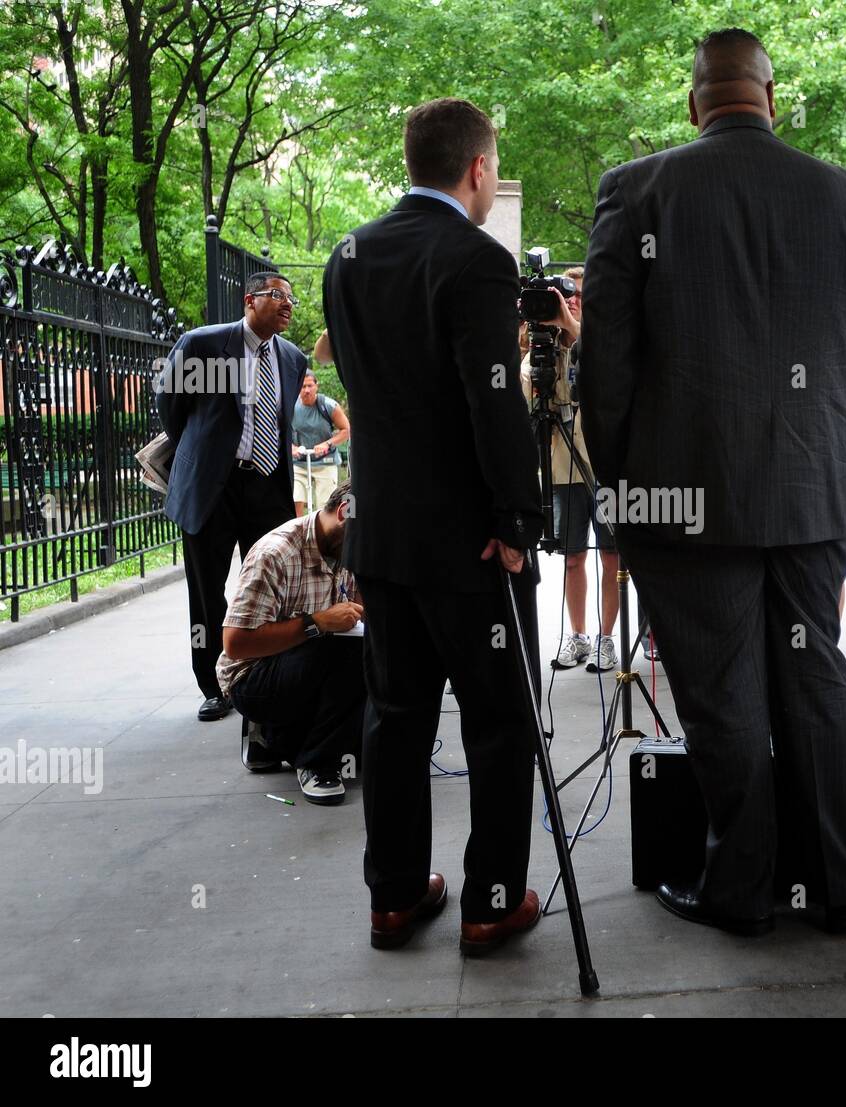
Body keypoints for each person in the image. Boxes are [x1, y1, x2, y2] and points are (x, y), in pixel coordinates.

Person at [582, 29, 846, 936]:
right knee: (813, 680)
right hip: (808, 486)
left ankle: (744, 888)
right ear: (772, 95)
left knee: (722, 692)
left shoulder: (637, 190)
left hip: (683, 497)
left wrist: (619, 483)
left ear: (694, 103)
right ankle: (840, 879)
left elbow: (604, 367)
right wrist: (800, 415)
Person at [323, 98, 545, 953]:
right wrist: (517, 516)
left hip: (381, 534)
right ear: (478, 169)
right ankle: (490, 901)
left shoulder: (349, 258)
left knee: (396, 715)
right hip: (468, 544)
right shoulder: (475, 261)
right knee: (496, 722)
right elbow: (494, 404)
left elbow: (373, 398)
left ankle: (394, 894)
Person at [156, 273, 307, 722]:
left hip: (267, 488)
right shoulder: (202, 345)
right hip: (213, 488)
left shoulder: (293, 358)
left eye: (291, 299)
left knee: (272, 587)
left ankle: (264, 674)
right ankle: (215, 686)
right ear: (249, 300)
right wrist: (203, 455)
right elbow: (171, 407)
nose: (287, 304)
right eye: (277, 295)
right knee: (207, 594)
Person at [218, 481, 365, 805]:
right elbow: (235, 645)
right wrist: (316, 623)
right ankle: (316, 763)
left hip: (311, 668)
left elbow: (358, 605)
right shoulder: (277, 553)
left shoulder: (347, 547)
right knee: (349, 653)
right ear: (345, 513)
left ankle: (274, 738)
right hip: (253, 677)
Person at [520, 267, 621, 672]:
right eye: (564, 294)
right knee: (573, 557)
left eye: (576, 293)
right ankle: (577, 635)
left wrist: (570, 323)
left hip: (604, 467)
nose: (570, 299)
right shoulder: (540, 352)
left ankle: (607, 638)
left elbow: (608, 361)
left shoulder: (597, 338)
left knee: (612, 557)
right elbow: (524, 398)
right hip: (564, 468)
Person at [292, 370, 350, 516]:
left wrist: (327, 444)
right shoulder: (291, 406)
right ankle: (300, 533)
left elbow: (346, 430)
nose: (306, 390)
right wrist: (291, 448)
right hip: (299, 462)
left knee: (326, 507)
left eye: (310, 386)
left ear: (316, 386)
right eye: (303, 386)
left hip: (325, 461)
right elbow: (279, 431)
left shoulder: (329, 405)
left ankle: (322, 536)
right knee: (294, 499)